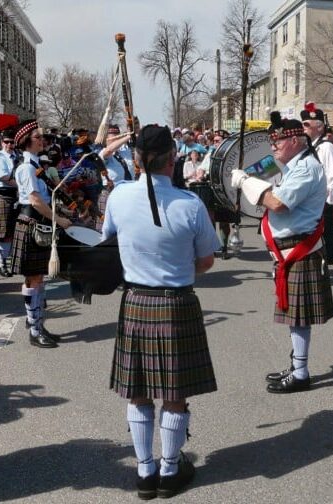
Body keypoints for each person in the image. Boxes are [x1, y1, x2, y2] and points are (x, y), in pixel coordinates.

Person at [103, 124, 219, 499]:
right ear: (173, 159)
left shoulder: (119, 196)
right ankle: (169, 471)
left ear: (136, 160)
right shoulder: (190, 204)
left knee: (138, 392)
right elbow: (206, 261)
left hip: (136, 301)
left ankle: (144, 472)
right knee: (174, 392)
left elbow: (108, 241)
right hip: (176, 302)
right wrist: (180, 268)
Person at [232, 112, 333, 394]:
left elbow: (277, 203)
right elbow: (271, 183)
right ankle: (297, 367)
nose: (273, 145)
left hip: (299, 251)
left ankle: (301, 374)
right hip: (289, 252)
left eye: (277, 140)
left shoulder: (306, 168)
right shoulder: (294, 165)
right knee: (294, 317)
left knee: (297, 318)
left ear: (296, 141)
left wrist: (245, 181)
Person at [9, 121, 71, 348]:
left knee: (38, 278)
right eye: (37, 137)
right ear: (26, 141)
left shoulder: (37, 166)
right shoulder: (26, 168)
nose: (41, 140)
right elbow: (35, 201)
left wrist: (63, 211)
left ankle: (39, 325)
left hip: (40, 223)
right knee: (33, 278)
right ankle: (34, 330)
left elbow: (45, 198)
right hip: (32, 223)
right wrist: (59, 220)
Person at [301, 103, 333, 265]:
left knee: (324, 250)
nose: (303, 128)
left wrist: (328, 201)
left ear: (319, 127)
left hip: (322, 204)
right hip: (309, 203)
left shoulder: (326, 148)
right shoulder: (307, 147)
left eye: (307, 124)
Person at [0, 130, 18, 277]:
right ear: (2, 143)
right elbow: (4, 177)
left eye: (12, 142)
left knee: (16, 232)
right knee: (5, 234)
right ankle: (2, 264)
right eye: (7, 142)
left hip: (18, 196)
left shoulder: (18, 156)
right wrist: (22, 185)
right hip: (4, 196)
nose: (9, 145)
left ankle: (14, 262)